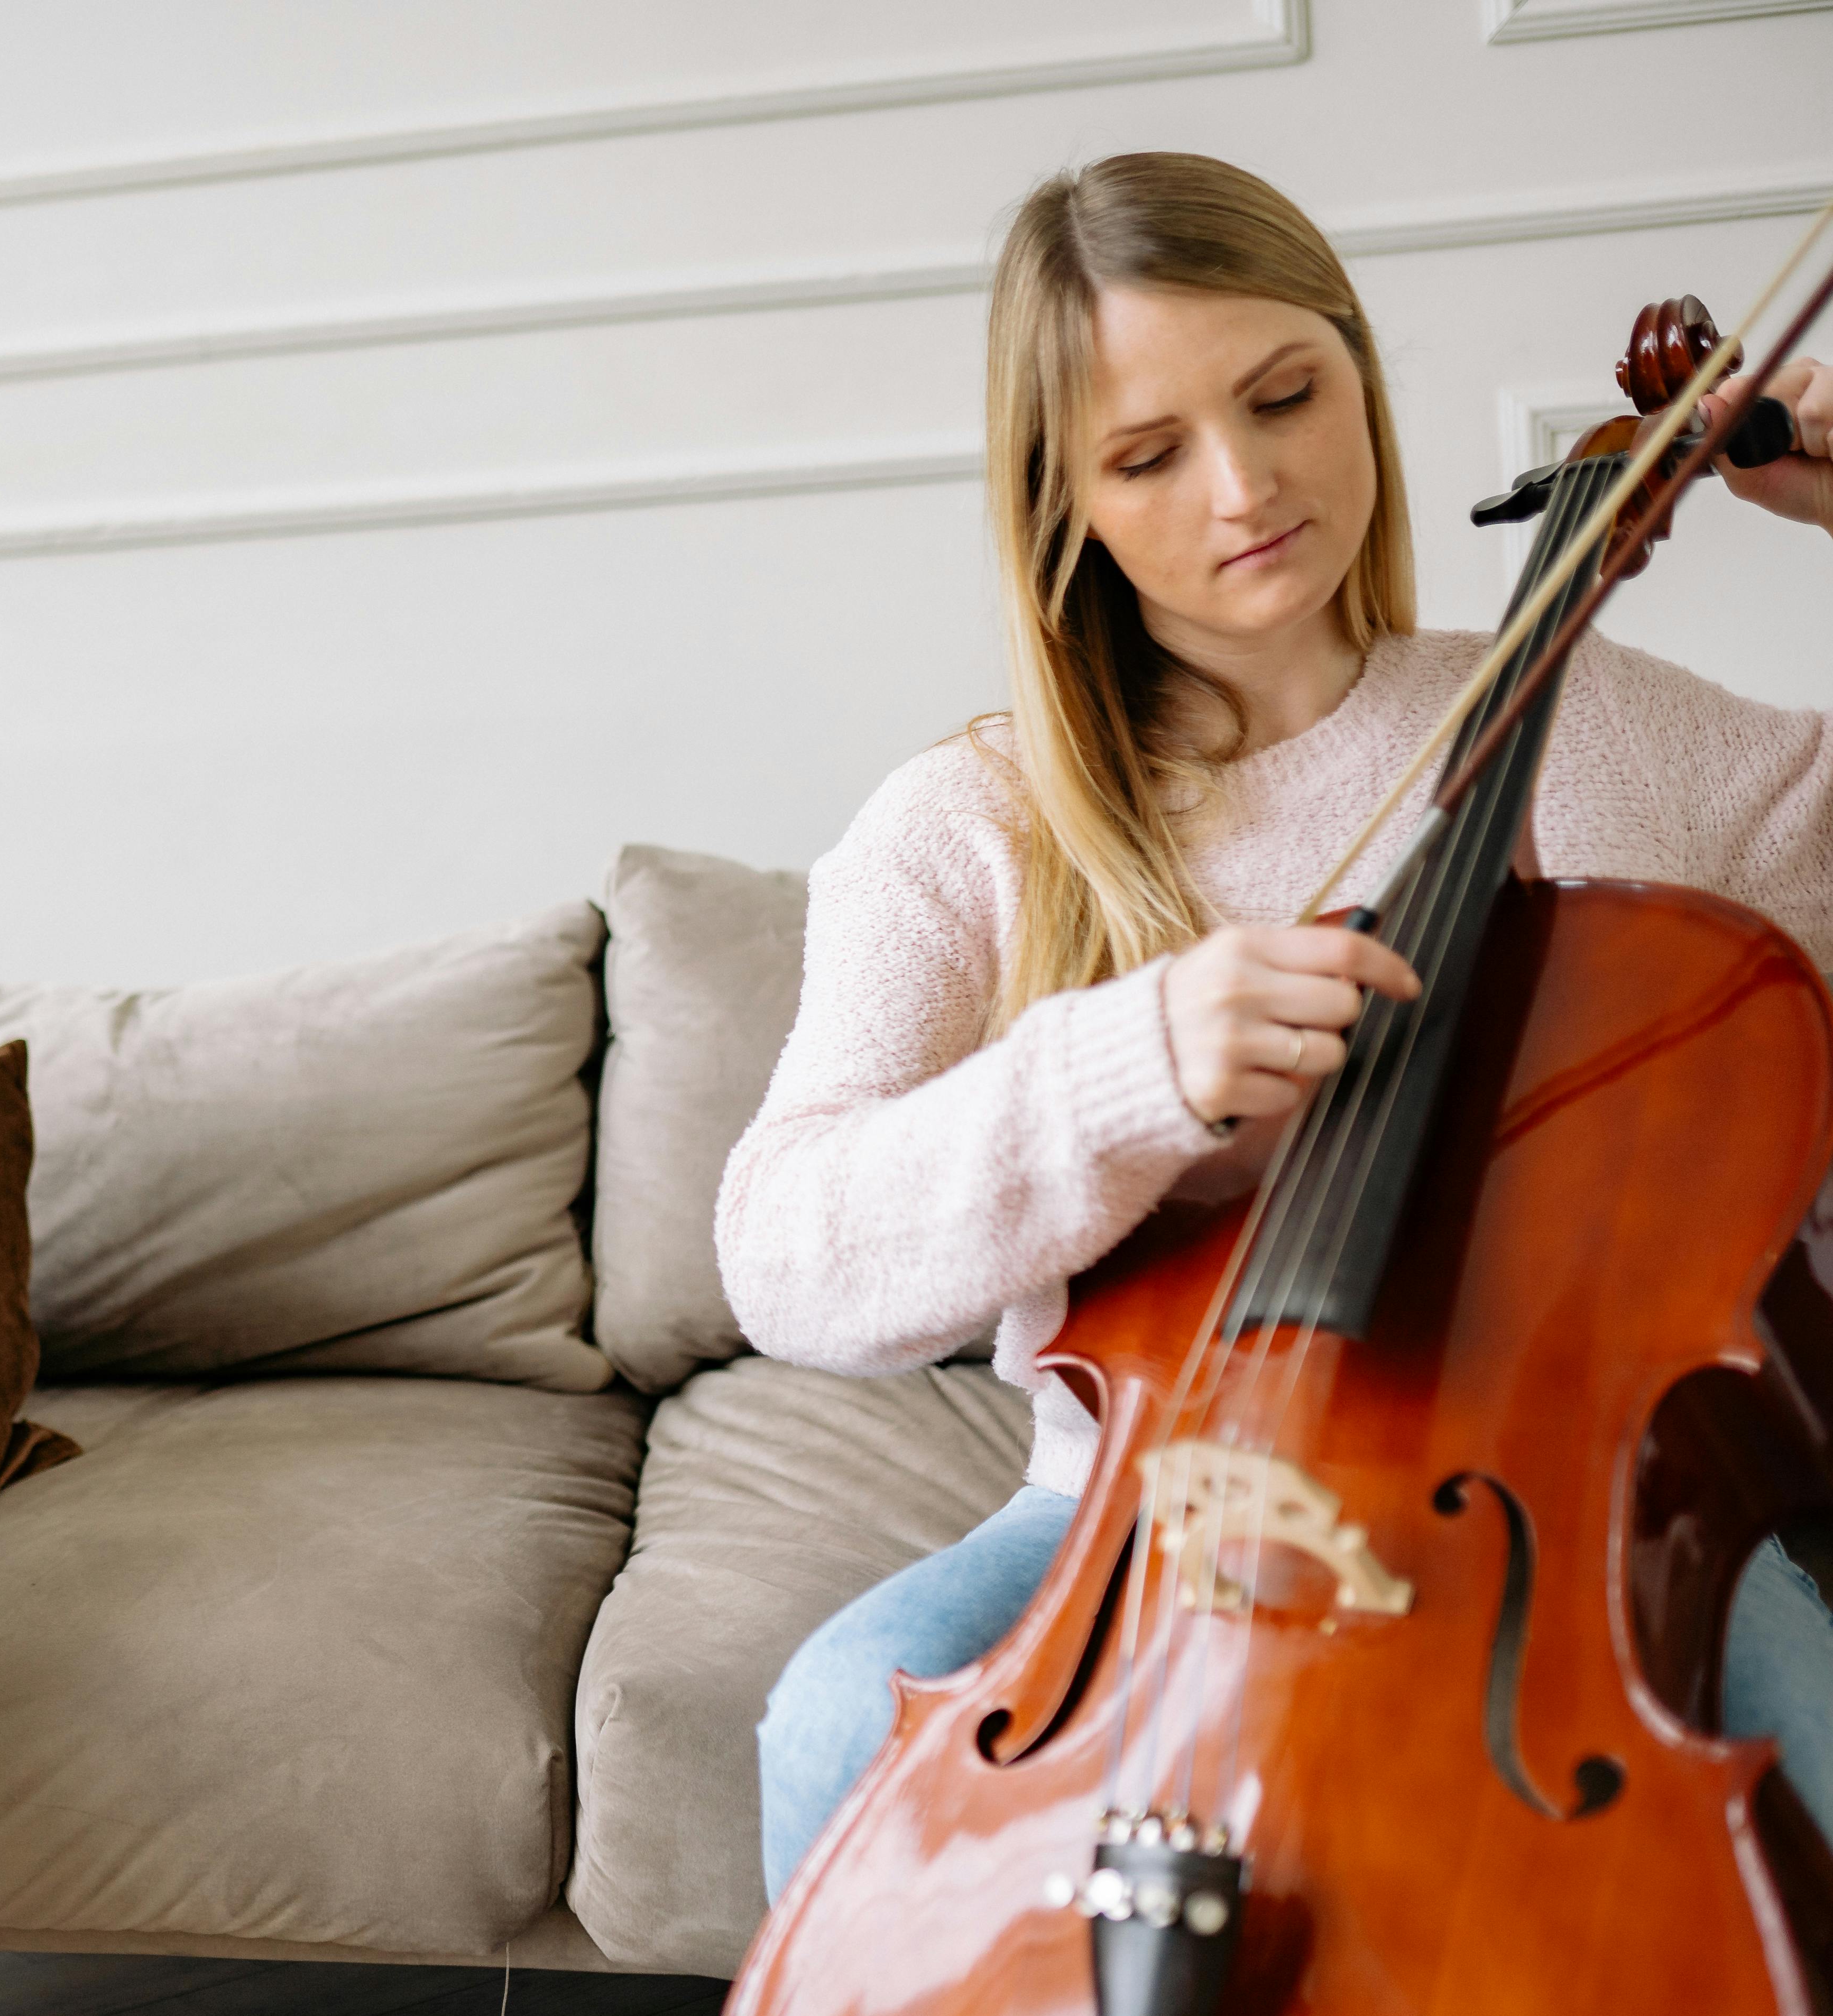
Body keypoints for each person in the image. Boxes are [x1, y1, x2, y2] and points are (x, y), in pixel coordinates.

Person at [717, 152, 1833, 1903]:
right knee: (837, 1718)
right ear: (1062, 502)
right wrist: (1123, 1066)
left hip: (1589, 1505)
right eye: (1149, 458)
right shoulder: (971, 826)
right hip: (1136, 1517)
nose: (1246, 486)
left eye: (1286, 396)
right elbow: (781, 1255)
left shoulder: (1590, 713)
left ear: (1358, 376)